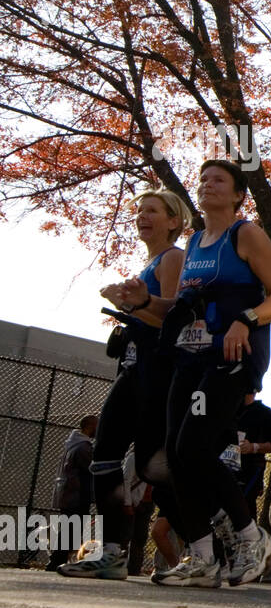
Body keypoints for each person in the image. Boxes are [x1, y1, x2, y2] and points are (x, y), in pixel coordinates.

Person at [122, 159, 271, 587]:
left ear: (237, 195)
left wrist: (246, 319)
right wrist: (142, 302)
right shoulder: (195, 242)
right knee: (175, 457)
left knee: (193, 449)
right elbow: (174, 311)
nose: (207, 184)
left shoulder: (245, 234)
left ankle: (253, 538)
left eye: (219, 180)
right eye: (203, 179)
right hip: (189, 359)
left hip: (232, 356)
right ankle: (201, 556)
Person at [60, 189, 186, 579]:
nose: (142, 216)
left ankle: (218, 531)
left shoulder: (173, 258)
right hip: (131, 370)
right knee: (104, 455)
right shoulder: (146, 262)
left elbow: (172, 319)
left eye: (153, 210)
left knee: (151, 467)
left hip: (158, 373)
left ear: (173, 221)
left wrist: (130, 306)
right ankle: (112, 552)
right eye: (139, 211)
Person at [48, 414, 98, 571]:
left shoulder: (74, 444)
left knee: (70, 527)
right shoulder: (84, 447)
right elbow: (93, 468)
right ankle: (57, 560)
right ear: (89, 426)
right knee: (72, 528)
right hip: (77, 495)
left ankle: (58, 559)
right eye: (97, 425)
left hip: (70, 494)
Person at [235, 391, 271, 519]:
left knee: (244, 508)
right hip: (223, 468)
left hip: (249, 469)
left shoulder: (264, 413)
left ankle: (254, 537)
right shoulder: (226, 409)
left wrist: (253, 447)